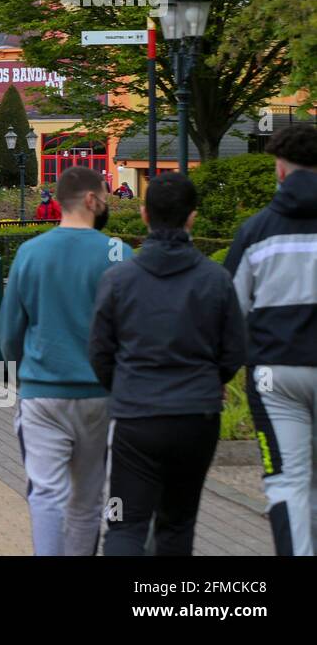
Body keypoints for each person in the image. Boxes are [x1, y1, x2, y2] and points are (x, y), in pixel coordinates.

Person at [90, 172, 245, 556]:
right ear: (192, 217)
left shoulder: (119, 279)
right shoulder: (216, 278)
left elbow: (99, 352)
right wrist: (212, 379)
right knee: (177, 522)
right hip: (196, 416)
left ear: (144, 214)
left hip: (135, 419)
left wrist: (123, 385)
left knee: (124, 523)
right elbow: (234, 350)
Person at [0, 166, 132, 555]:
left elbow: (9, 333)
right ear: (91, 200)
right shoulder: (118, 253)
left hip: (43, 391)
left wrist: (25, 370)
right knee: (88, 498)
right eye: (104, 195)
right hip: (100, 395)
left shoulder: (31, 252)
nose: (106, 202)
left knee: (46, 492)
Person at [224, 123, 317, 556]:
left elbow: (230, 312)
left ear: (280, 170)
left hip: (275, 374)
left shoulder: (256, 232)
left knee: (288, 481)